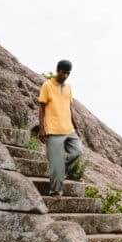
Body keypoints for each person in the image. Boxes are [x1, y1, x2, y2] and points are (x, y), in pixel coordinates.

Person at [38, 59, 83, 196]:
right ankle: (55, 191)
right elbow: (41, 108)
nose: (65, 76)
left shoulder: (69, 88)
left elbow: (69, 108)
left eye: (68, 73)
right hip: (53, 130)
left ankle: (58, 169)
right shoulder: (47, 85)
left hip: (69, 129)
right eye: (64, 73)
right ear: (58, 70)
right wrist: (42, 128)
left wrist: (76, 127)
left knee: (77, 151)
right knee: (57, 165)